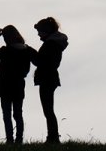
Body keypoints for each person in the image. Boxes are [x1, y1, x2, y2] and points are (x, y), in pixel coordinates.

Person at [26, 16, 69, 144]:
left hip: (47, 78)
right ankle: (53, 137)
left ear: (46, 30)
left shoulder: (50, 44)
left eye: (40, 31)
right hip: (50, 78)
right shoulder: (53, 43)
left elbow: (41, 61)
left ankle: (53, 137)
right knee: (49, 110)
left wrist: (29, 51)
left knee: (48, 110)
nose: (38, 34)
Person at [0, 25, 32, 143]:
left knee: (7, 115)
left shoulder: (6, 51)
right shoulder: (27, 50)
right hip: (18, 86)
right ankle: (19, 139)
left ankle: (10, 140)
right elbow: (36, 61)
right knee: (18, 114)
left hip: (5, 86)